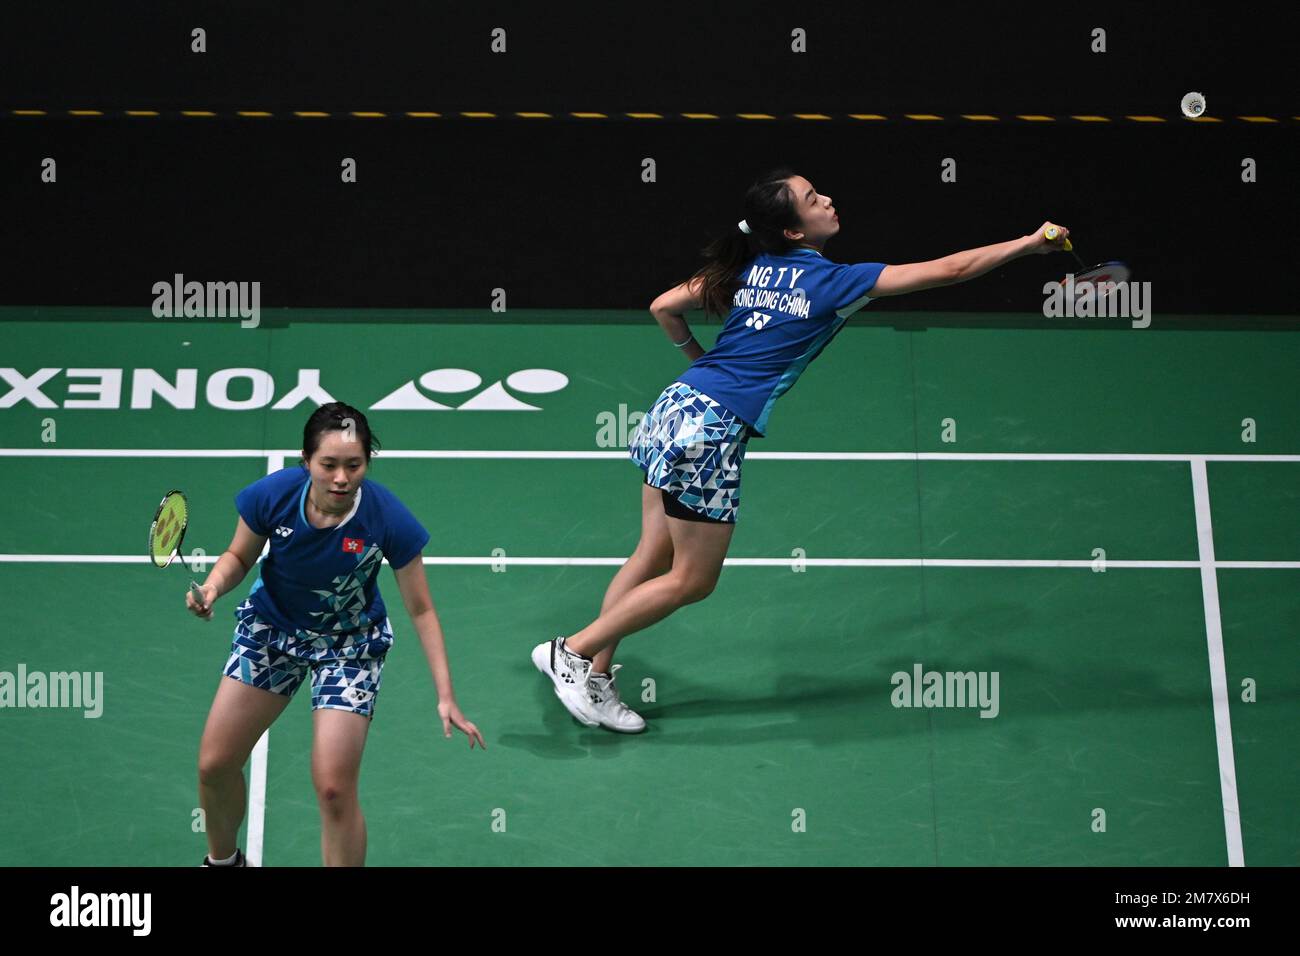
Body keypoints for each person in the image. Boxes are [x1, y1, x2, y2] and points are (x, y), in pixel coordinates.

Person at [533, 166, 1071, 733]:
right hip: (711, 432)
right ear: (793, 231)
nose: (828, 199)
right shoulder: (835, 281)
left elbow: (663, 306)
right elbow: (949, 270)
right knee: (693, 580)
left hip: (674, 408)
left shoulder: (749, 267)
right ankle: (569, 651)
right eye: (814, 198)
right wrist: (1030, 244)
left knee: (651, 555)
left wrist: (701, 362)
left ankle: (591, 677)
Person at [189, 402, 484, 866]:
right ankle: (224, 862)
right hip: (273, 630)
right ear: (306, 461)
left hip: (349, 647)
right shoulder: (273, 496)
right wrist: (213, 586)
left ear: (368, 461)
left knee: (333, 787)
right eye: (328, 464)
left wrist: (445, 694)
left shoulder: (386, 517)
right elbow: (239, 557)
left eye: (354, 464)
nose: (341, 477)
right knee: (214, 764)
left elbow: (422, 609)